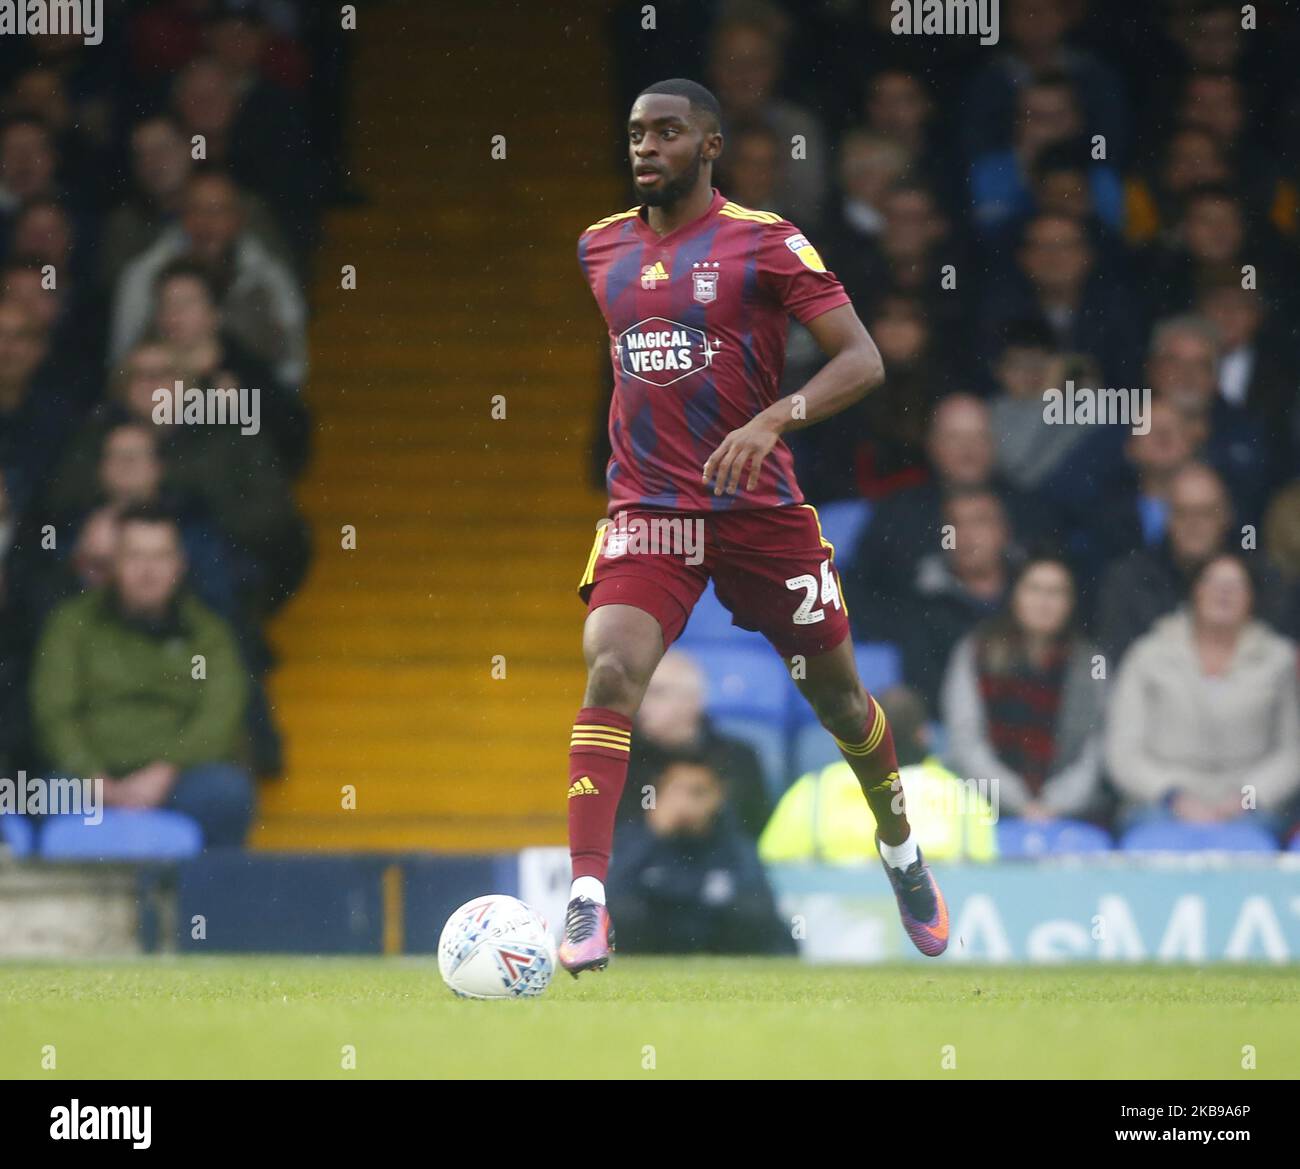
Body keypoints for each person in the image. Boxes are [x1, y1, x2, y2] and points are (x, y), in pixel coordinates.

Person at [560, 79, 949, 976]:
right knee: (612, 664)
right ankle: (586, 898)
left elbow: (862, 358)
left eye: (667, 133)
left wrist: (774, 417)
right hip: (651, 509)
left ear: (708, 146)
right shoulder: (598, 248)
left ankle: (901, 853)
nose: (645, 147)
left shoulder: (764, 241)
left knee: (842, 702)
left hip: (760, 512)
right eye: (634, 134)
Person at [29, 505, 255, 847]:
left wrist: (166, 770)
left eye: (161, 557)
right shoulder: (71, 624)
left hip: (179, 781)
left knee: (227, 794)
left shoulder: (208, 633)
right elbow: (53, 710)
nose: (149, 570)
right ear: (114, 564)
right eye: (135, 556)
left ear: (179, 565)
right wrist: (93, 777)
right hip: (87, 777)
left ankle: (199, 902)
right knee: (34, 794)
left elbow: (219, 714)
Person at [1105, 553, 1300, 845]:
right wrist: (1173, 797)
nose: (1224, 592)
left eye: (1236, 585)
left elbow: (1291, 751)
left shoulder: (1279, 659)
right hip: (1158, 804)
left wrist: (1245, 797)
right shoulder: (1147, 654)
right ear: (1195, 591)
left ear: (1252, 598)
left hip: (1251, 808)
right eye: (1213, 582)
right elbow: (1122, 750)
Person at [941, 556, 1106, 822]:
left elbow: (1096, 749)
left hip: (1072, 813)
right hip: (986, 806)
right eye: (1034, 589)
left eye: (1056, 592)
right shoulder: (975, 650)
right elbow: (965, 741)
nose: (1044, 602)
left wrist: (1054, 803)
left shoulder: (1092, 662)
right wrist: (1019, 802)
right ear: (1015, 595)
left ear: (1071, 602)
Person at [760, 685, 997, 863]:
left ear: (864, 732)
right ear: (924, 735)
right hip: (931, 928)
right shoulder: (964, 799)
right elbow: (986, 881)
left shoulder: (814, 791)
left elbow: (772, 870)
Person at [607, 754, 794, 956]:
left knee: (749, 913)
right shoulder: (635, 840)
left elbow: (761, 908)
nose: (684, 802)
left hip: (718, 945)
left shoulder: (734, 844)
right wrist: (654, 835)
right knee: (626, 912)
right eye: (675, 791)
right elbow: (612, 898)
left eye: (697, 793)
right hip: (654, 943)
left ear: (718, 797)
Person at [619, 650, 771, 840]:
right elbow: (614, 847)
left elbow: (756, 837)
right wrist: (656, 825)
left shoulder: (739, 758)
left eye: (656, 693)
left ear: (692, 700)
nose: (641, 703)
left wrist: (711, 813)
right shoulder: (620, 759)